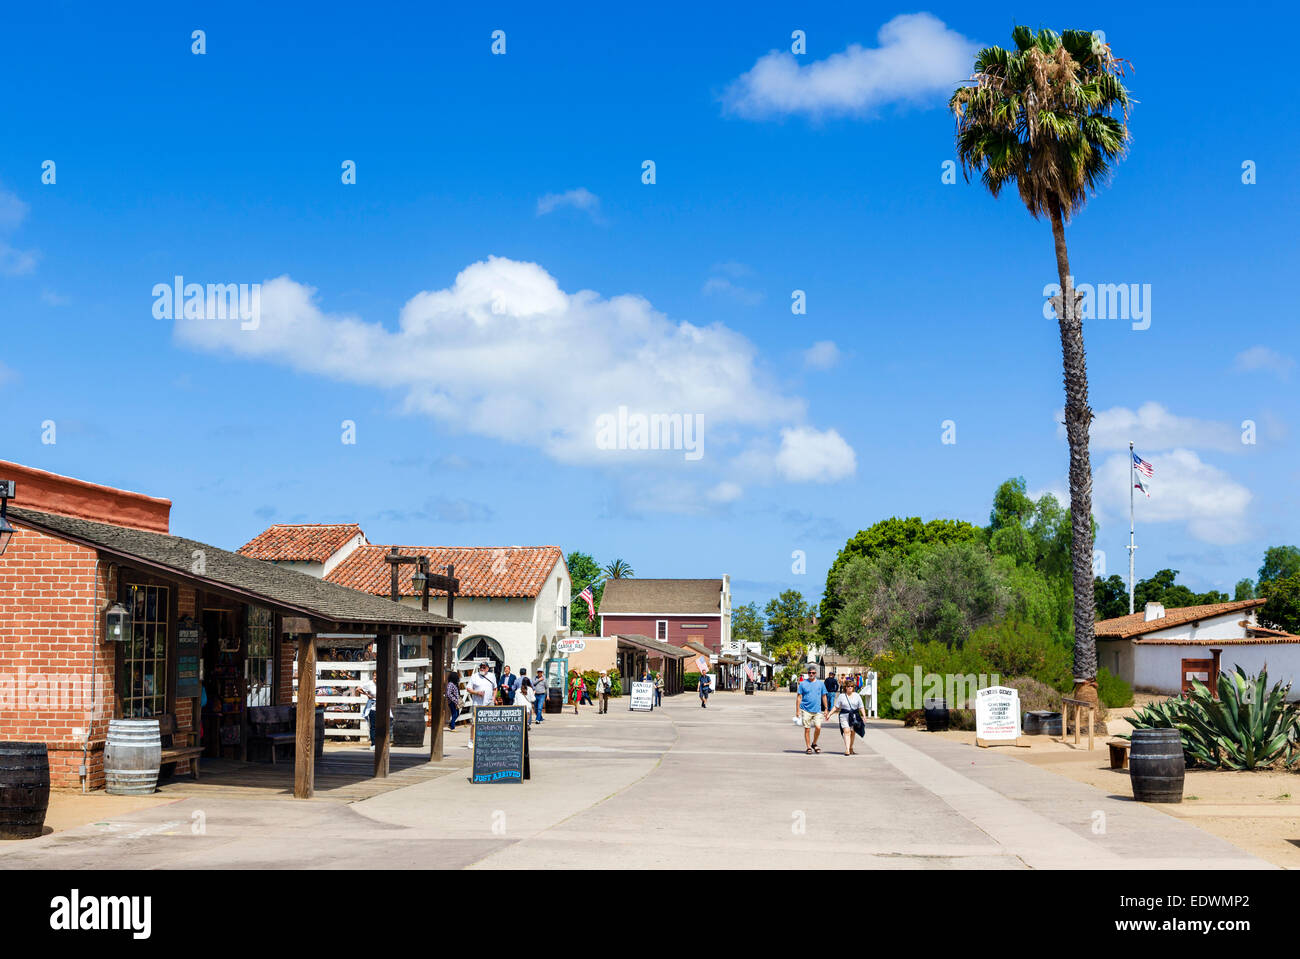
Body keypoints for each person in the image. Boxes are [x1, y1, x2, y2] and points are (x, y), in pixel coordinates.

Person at [795, 664, 828, 754]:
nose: (811, 674)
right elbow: (799, 697)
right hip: (806, 709)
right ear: (807, 673)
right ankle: (808, 747)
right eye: (809, 673)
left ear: (815, 673)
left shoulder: (820, 684)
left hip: (817, 710)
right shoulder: (803, 684)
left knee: (818, 727)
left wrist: (826, 708)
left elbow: (824, 696)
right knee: (807, 728)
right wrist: (797, 710)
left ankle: (814, 743)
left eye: (813, 673)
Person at [828, 680, 867, 756]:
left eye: (851, 686)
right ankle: (847, 749)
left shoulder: (857, 696)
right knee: (846, 731)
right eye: (848, 686)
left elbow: (861, 707)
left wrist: (864, 716)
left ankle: (851, 747)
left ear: (853, 687)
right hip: (844, 715)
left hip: (854, 716)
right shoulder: (841, 696)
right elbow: (836, 707)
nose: (850, 688)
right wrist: (829, 714)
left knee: (852, 732)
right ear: (845, 687)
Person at [465, 662, 496, 749]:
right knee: (474, 723)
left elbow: (495, 688)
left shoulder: (492, 676)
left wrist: (493, 698)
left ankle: (487, 741)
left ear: (487, 668)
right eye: (481, 667)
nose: (482, 668)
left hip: (489, 703)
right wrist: (477, 692)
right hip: (478, 704)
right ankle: (471, 740)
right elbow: (468, 688)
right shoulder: (475, 676)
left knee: (490, 723)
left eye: (484, 667)